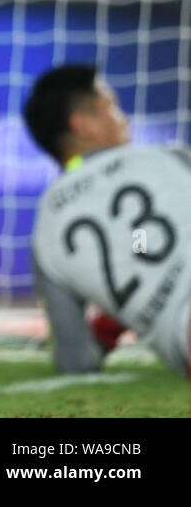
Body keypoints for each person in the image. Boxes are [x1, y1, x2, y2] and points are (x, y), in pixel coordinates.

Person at [23, 63, 191, 377]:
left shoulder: (46, 231)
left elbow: (76, 362)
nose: (124, 119)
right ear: (84, 125)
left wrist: (110, 325)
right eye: (112, 108)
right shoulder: (168, 158)